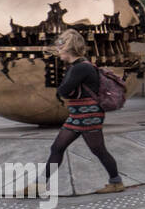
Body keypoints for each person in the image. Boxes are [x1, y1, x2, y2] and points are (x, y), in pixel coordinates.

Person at [30, 29, 125, 195]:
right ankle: (39, 185)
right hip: (78, 115)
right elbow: (65, 90)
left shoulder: (80, 68)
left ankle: (116, 182)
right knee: (57, 147)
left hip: (88, 115)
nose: (58, 51)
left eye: (60, 48)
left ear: (68, 49)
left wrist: (64, 89)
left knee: (98, 149)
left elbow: (63, 91)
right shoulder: (78, 67)